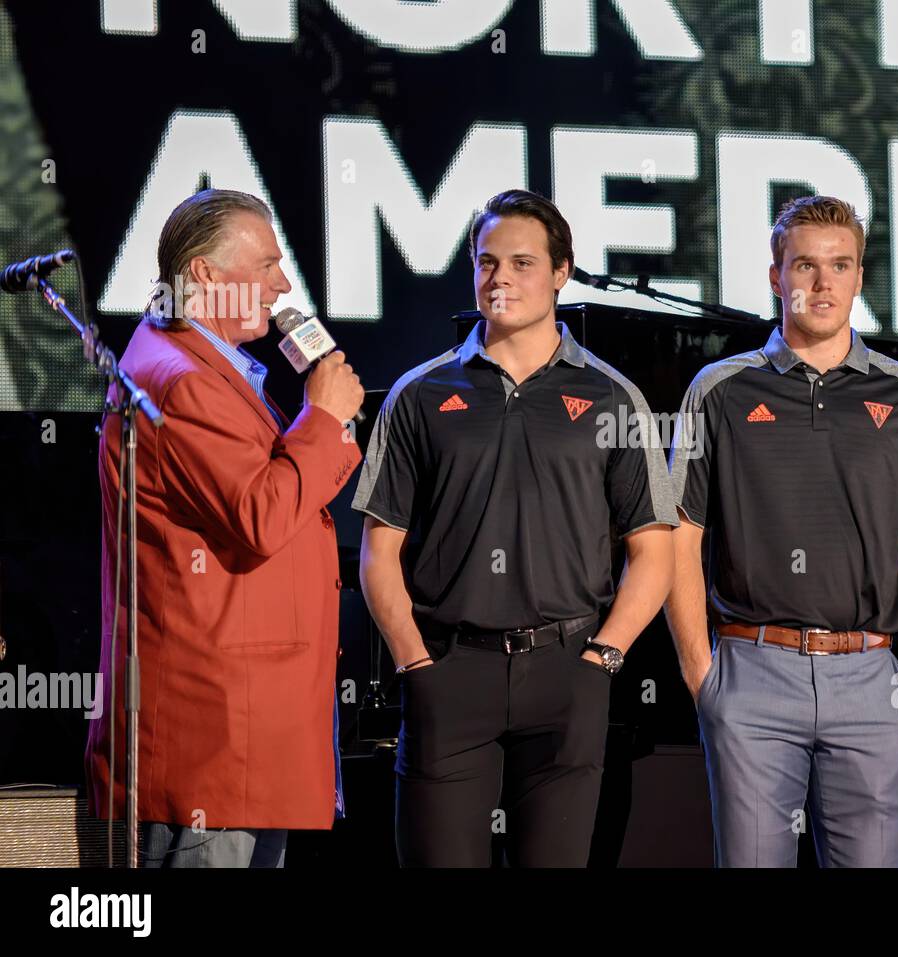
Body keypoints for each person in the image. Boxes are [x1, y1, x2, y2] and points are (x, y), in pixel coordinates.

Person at [354, 188, 676, 867]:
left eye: (522, 263)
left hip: (569, 672)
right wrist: (416, 664)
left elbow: (653, 552)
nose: (499, 279)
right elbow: (378, 553)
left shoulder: (613, 397)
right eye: (486, 262)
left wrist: (603, 659)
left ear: (562, 271)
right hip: (448, 670)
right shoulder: (419, 394)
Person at [665, 195, 898, 867]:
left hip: (871, 676)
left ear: (860, 277)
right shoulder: (719, 389)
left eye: (841, 266)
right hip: (750, 673)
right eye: (805, 265)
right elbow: (678, 537)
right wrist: (701, 675)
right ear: (776, 275)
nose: (823, 283)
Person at [88, 188, 365, 867]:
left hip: (245, 737)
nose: (284, 283)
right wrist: (322, 417)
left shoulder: (205, 369)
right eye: (268, 264)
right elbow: (262, 514)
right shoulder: (183, 381)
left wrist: (324, 422)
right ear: (207, 277)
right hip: (213, 738)